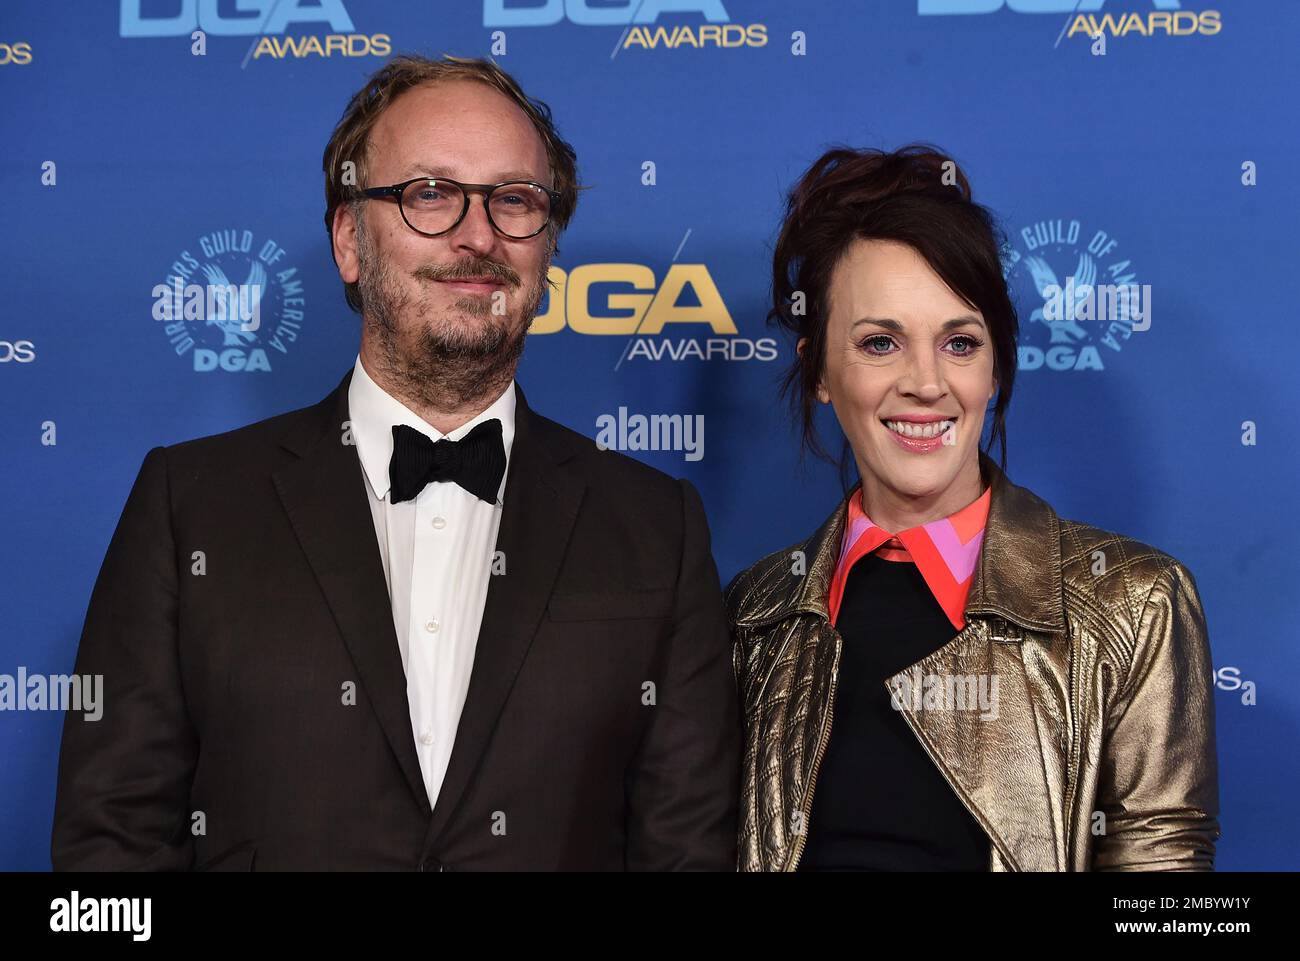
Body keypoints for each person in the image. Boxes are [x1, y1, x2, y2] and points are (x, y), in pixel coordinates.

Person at [52, 54, 739, 871]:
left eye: (514, 200)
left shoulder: (657, 529)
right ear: (350, 240)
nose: (478, 235)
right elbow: (110, 849)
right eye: (431, 194)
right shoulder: (189, 506)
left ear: (548, 249)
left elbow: (686, 853)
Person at [727, 145, 1218, 872]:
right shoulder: (754, 616)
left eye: (959, 343)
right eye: (880, 343)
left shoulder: (1135, 605)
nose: (926, 383)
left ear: (995, 369)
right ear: (819, 371)